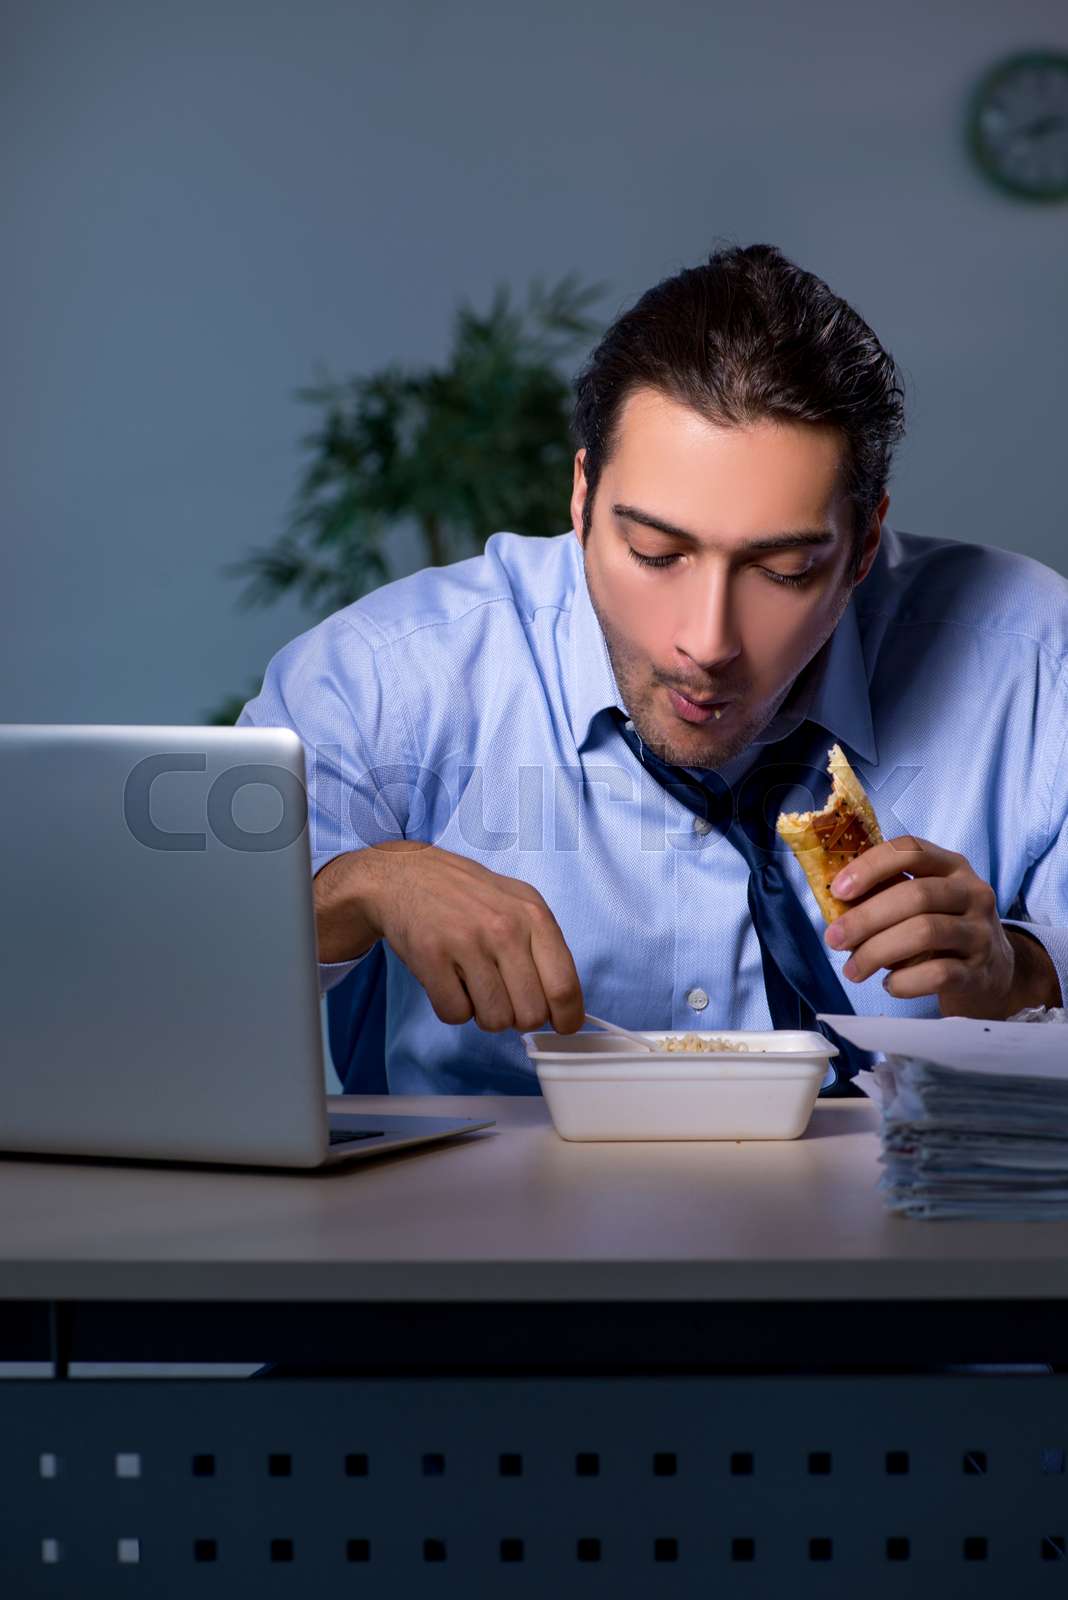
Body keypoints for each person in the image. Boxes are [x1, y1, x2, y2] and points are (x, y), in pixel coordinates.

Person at [237, 243, 1067, 1097]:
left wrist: (1020, 975)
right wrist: (355, 887)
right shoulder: (386, 675)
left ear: (861, 547)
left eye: (783, 572)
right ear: (582, 500)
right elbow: (164, 967)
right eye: (655, 552)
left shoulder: (1035, 662)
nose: (706, 643)